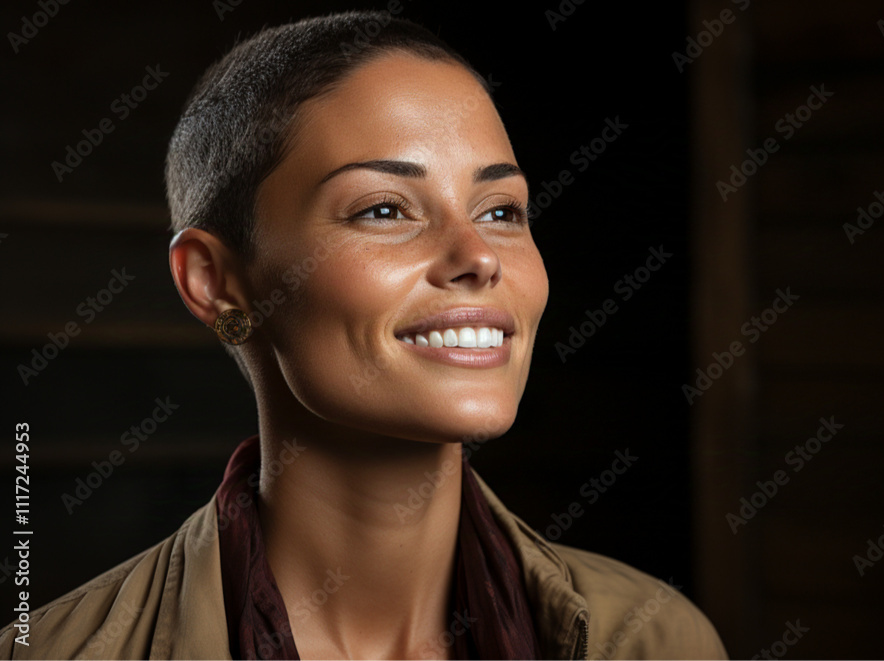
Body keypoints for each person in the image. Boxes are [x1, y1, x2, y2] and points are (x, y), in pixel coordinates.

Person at [0, 11, 727, 660]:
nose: (478, 257)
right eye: (384, 210)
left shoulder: (655, 640)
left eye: (502, 210)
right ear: (215, 281)